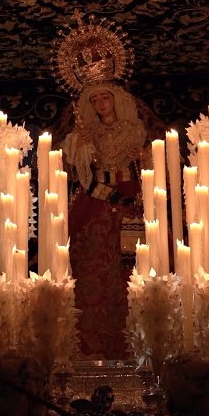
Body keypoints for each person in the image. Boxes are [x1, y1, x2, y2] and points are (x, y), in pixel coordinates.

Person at [61, 81, 153, 359]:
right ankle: (90, 345)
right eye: (95, 100)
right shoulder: (84, 134)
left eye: (105, 97)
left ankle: (139, 343)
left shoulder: (135, 129)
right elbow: (82, 176)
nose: (101, 104)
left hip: (131, 198)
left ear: (116, 100)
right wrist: (81, 148)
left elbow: (144, 165)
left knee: (134, 264)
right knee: (90, 266)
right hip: (96, 201)